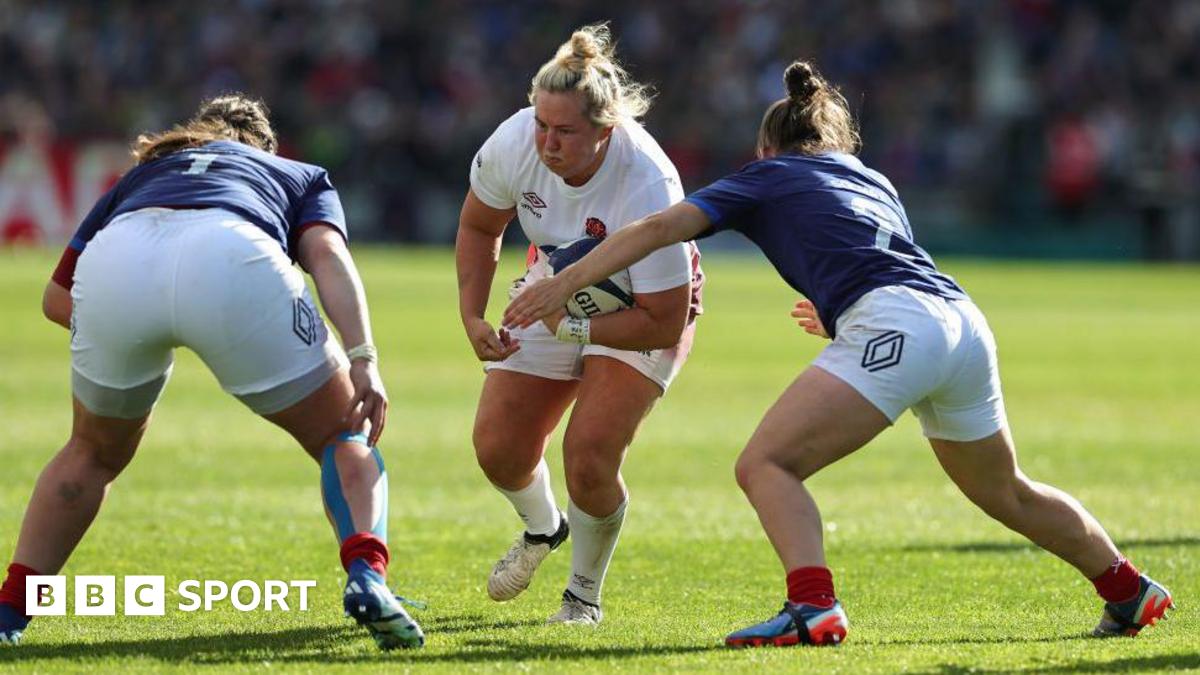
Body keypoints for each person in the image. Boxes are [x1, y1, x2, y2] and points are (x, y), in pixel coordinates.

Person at [504, 61, 1174, 646]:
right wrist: (840, 315)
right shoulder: (867, 175)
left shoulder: (765, 176)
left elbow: (658, 228)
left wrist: (565, 282)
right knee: (1008, 489)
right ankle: (1128, 587)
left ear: (767, 147)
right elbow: (875, 255)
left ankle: (812, 605)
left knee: (767, 463)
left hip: (898, 322)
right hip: (961, 322)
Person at [0, 95, 423, 650]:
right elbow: (327, 257)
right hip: (232, 255)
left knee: (91, 452)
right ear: (263, 145)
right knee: (343, 432)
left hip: (118, 266)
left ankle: (10, 613)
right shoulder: (296, 172)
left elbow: (57, 299)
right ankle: (367, 576)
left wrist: (139, 333)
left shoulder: (146, 171)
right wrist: (363, 356)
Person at [456, 24, 704, 625]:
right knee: (498, 449)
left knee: (589, 456)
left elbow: (662, 321)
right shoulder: (513, 141)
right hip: (554, 288)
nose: (546, 142)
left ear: (605, 129)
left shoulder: (648, 180)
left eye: (564, 131)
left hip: (641, 307)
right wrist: (472, 314)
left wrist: (572, 327)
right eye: (541, 124)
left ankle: (582, 596)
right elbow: (480, 226)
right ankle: (544, 529)